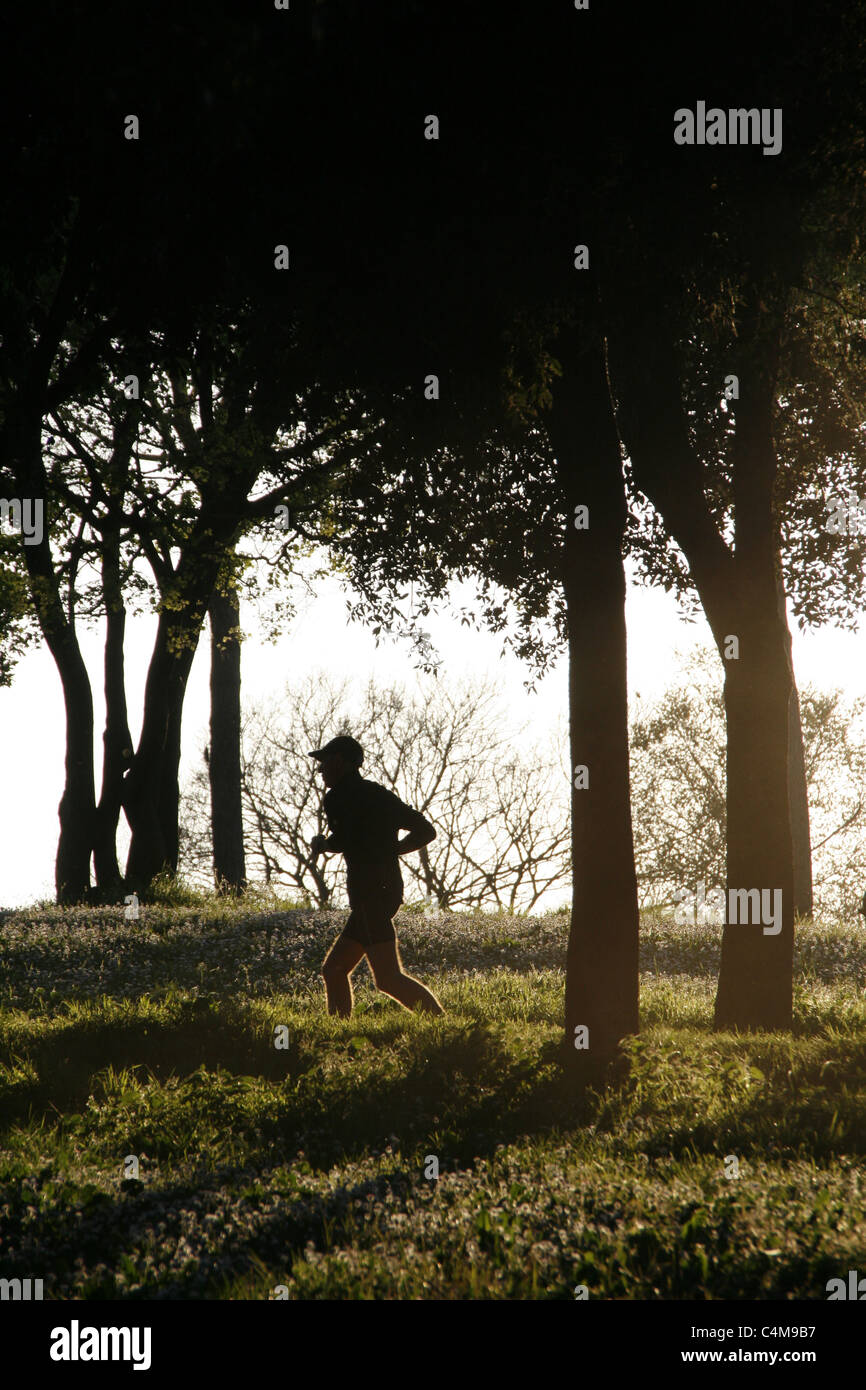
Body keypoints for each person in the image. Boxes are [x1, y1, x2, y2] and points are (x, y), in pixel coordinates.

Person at [309, 735, 444, 1018]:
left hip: (369, 896)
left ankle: (442, 1025)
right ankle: (339, 1033)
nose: (320, 770)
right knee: (334, 969)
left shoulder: (336, 798)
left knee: (388, 979)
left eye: (324, 763)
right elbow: (426, 831)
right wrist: (393, 850)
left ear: (339, 762)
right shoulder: (379, 794)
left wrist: (325, 844)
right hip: (386, 892)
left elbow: (346, 839)